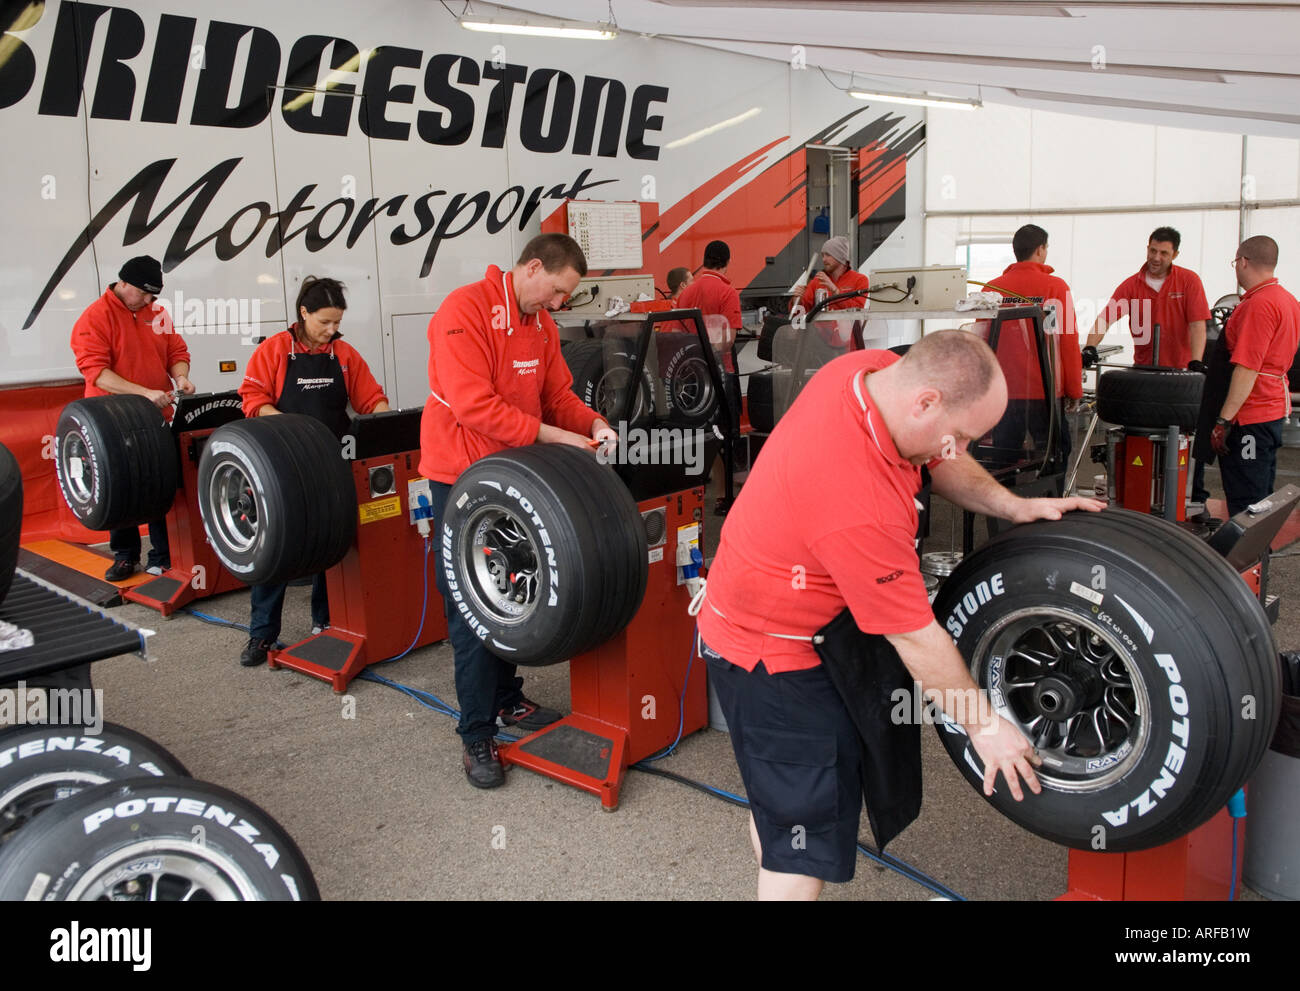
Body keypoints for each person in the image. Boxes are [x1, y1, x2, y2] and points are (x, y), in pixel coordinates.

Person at [697, 330, 1105, 900]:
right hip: (770, 652)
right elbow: (915, 637)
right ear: (926, 402)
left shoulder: (870, 373)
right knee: (806, 827)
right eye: (960, 434)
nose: (956, 446)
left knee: (786, 794)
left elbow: (943, 458)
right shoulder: (857, 500)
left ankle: (780, 823)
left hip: (791, 613)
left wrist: (1012, 505)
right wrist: (984, 726)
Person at [420, 233, 618, 789]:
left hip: (513, 475)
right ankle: (476, 733)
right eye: (556, 290)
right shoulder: (465, 310)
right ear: (533, 268)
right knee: (472, 603)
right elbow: (473, 405)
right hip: (461, 476)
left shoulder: (542, 325)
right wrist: (557, 439)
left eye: (564, 297)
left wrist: (594, 424)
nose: (558, 303)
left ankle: (507, 699)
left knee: (511, 592)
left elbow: (558, 397)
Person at [236, 276, 390, 668]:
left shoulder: (344, 355)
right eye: (324, 322)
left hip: (332, 464)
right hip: (283, 465)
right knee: (276, 551)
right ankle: (262, 636)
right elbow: (253, 401)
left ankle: (326, 623)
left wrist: (388, 422)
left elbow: (371, 398)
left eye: (337, 322)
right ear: (303, 314)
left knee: (330, 544)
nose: (331, 330)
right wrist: (291, 431)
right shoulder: (273, 351)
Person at [69, 255, 195, 581]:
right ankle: (125, 556)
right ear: (123, 283)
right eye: (145, 294)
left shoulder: (157, 314)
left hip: (156, 415)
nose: (150, 301)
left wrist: (180, 378)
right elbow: (97, 374)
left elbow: (177, 353)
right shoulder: (94, 318)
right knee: (121, 488)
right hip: (112, 420)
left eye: (155, 296)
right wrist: (144, 393)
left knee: (160, 484)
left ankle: (163, 555)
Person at [1211, 236, 1300, 516]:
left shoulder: (1258, 305)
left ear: (1243, 262)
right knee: (1261, 496)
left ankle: (1247, 560)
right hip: (1271, 410)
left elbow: (1247, 368)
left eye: (1235, 262)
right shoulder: (1287, 300)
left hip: (1251, 416)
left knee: (1246, 501)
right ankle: (1258, 556)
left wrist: (1223, 421)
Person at [981, 224, 1082, 463]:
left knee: (1003, 458)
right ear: (1040, 250)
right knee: (1053, 456)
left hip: (1003, 392)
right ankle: (1050, 500)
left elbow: (983, 342)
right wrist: (1074, 389)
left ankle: (1003, 499)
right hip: (1044, 391)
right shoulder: (1055, 287)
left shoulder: (991, 289)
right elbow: (1067, 341)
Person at [1083, 226, 1210, 370]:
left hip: (1181, 371)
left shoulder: (1189, 281)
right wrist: (1090, 347)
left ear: (1175, 255)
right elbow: (1105, 319)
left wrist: (1196, 361)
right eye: (1153, 251)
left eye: (1164, 253)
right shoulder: (1131, 286)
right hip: (1143, 369)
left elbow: (1197, 325)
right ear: (1147, 248)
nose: (1156, 258)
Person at [673, 240, 742, 370]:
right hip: (719, 368)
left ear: (704, 261)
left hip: (691, 368)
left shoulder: (685, 293)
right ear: (727, 262)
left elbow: (676, 334)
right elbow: (728, 341)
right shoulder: (728, 293)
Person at [792, 235, 870, 313]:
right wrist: (797, 300)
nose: (824, 259)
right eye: (823, 255)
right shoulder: (818, 281)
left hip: (847, 325)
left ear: (840, 257)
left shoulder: (860, 280)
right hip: (819, 325)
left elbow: (858, 310)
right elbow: (801, 314)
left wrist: (835, 291)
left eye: (828, 255)